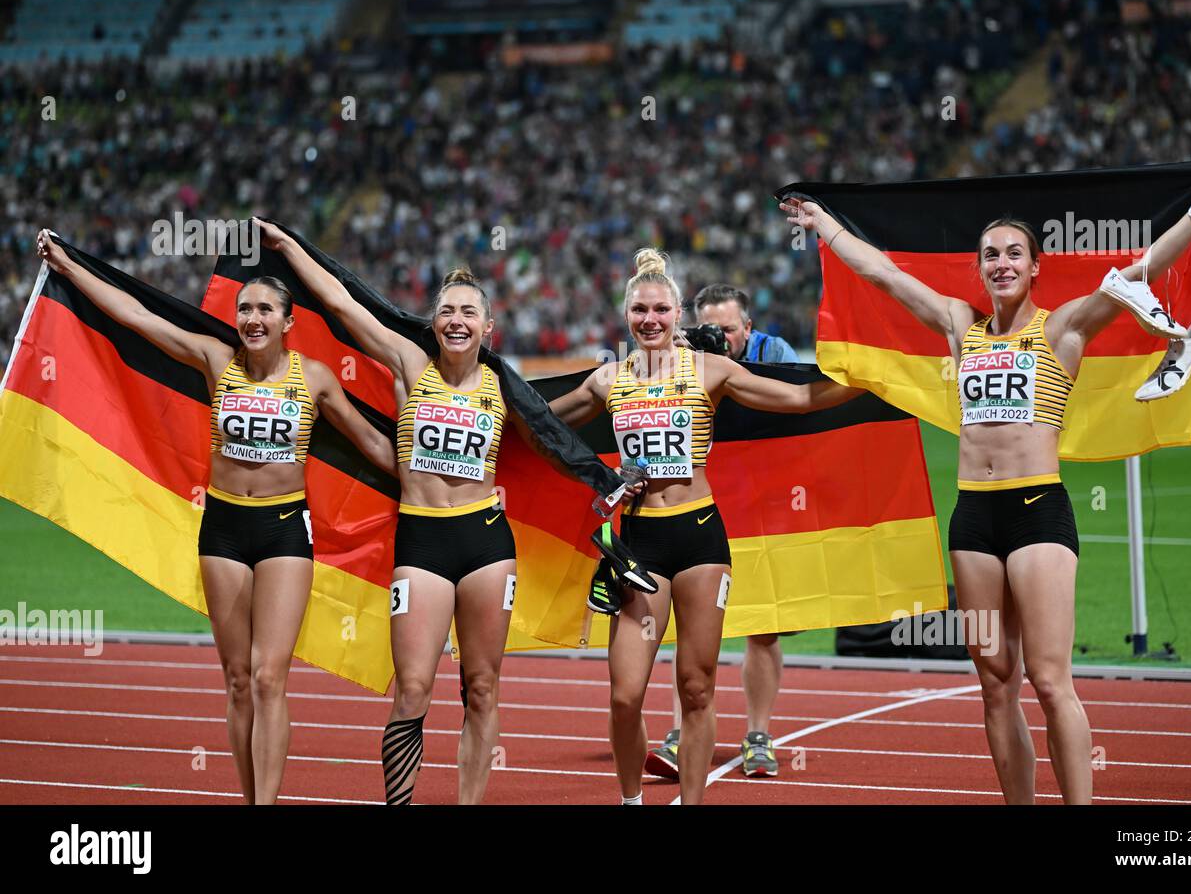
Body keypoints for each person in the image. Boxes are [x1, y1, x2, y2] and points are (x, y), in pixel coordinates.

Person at [780, 157, 1191, 803]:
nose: (1002, 263)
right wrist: (821, 222)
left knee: (1048, 676)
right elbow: (884, 275)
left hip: (1037, 511)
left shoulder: (1064, 326)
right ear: (979, 267)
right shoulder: (960, 325)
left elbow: (1143, 269)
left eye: (1014, 253)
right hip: (974, 517)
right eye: (991, 255)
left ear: (1036, 266)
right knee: (994, 678)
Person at [36, 227, 395, 805]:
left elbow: (373, 447)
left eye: (265, 310)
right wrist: (71, 269)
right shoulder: (215, 357)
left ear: (287, 322)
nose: (253, 318)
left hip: (284, 531)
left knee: (268, 677)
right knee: (236, 681)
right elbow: (136, 318)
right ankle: (251, 797)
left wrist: (441, 481)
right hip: (224, 531)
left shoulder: (315, 379)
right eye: (245, 308)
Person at [260, 219, 601, 805]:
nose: (457, 321)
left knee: (482, 686)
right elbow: (342, 304)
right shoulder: (408, 364)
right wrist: (291, 247)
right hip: (421, 541)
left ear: (487, 327)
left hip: (487, 543)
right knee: (413, 688)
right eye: (447, 311)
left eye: (469, 313)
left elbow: (557, 429)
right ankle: (400, 802)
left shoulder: (505, 390)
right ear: (433, 321)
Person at [548, 249, 862, 804]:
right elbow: (541, 426)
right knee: (625, 694)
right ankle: (632, 800)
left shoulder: (709, 371)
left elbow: (795, 398)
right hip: (639, 546)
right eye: (640, 310)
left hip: (700, 539)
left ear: (678, 315)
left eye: (662, 309)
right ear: (626, 316)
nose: (651, 320)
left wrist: (878, 379)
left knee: (696, 688)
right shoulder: (607, 380)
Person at [644, 283, 798, 780]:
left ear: (747, 328)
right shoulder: (678, 353)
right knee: (688, 628)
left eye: (727, 329)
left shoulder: (776, 353)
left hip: (764, 499)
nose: (718, 336)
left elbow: (795, 400)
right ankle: (678, 731)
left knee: (764, 621)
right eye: (709, 327)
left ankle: (759, 734)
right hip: (704, 498)